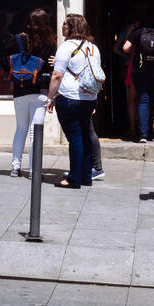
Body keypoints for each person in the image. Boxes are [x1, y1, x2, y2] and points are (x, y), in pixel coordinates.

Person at [47, 13, 104, 189]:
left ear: (72, 27)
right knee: (85, 135)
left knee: (75, 137)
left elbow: (57, 75)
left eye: (65, 24)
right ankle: (86, 176)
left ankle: (74, 178)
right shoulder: (93, 48)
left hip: (69, 97)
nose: (62, 26)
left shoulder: (65, 47)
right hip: (89, 98)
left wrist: (50, 97)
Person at [10, 9, 56, 177]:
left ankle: (15, 167)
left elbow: (6, 62)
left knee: (20, 128)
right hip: (40, 90)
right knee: (35, 131)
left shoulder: (17, 40)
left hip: (20, 88)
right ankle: (33, 170)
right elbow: (52, 67)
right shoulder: (50, 41)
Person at [122, 21, 154, 143]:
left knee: (142, 101)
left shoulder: (137, 32)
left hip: (141, 70)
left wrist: (135, 50)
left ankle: (143, 135)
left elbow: (125, 48)